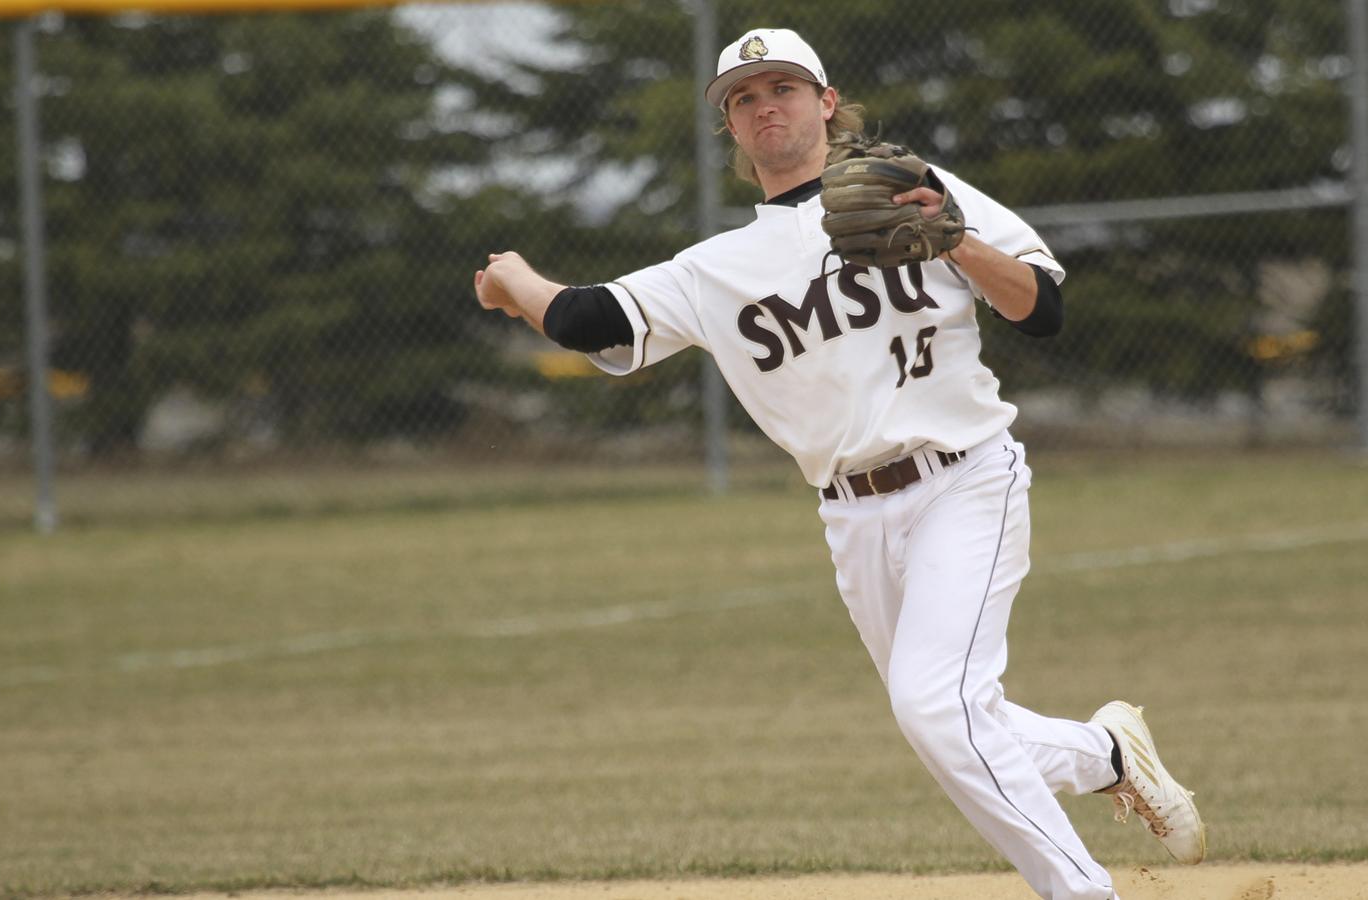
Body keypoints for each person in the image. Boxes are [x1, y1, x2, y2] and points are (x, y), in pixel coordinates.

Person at [473, 27, 1205, 900]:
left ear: (825, 103)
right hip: (850, 514)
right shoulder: (718, 268)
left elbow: (1041, 307)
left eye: (781, 86)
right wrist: (513, 277)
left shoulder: (916, 190)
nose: (763, 105)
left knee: (937, 709)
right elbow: (588, 320)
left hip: (965, 478)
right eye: (743, 98)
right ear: (732, 131)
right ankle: (1110, 754)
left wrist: (951, 236)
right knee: (962, 720)